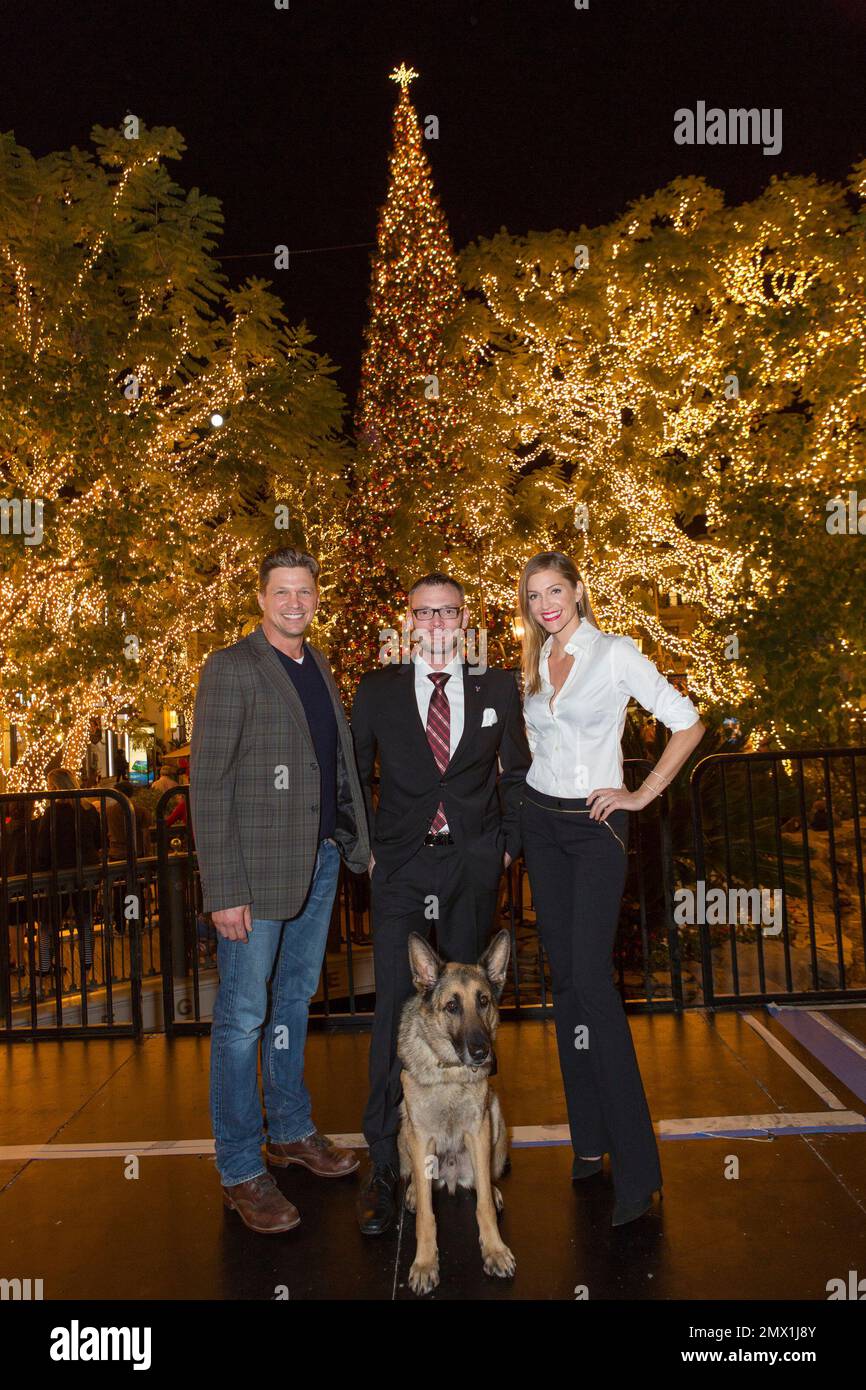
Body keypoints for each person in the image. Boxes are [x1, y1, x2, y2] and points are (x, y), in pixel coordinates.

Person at [516, 551, 706, 1227]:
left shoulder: (614, 653)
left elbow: (689, 722)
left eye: (556, 590)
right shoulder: (535, 661)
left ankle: (638, 1167)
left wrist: (641, 793)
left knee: (593, 982)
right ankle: (588, 1140)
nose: (546, 604)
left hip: (597, 827)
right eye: (535, 594)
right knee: (564, 982)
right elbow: (535, 751)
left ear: (577, 591)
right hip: (542, 823)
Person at [190, 546, 371, 1235]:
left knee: (293, 1002)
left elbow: (338, 765)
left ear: (314, 597)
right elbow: (208, 784)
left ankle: (291, 1130)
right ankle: (240, 1167)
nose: (294, 602)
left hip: (318, 863)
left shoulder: (317, 663)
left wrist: (357, 846)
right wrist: (224, 888)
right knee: (241, 1019)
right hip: (255, 879)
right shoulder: (231, 668)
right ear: (262, 599)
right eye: (281, 592)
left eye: (304, 591)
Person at [350, 570, 531, 1235]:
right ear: (407, 621)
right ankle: (384, 1165)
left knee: (469, 1010)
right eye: (422, 614)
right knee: (395, 1010)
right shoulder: (377, 691)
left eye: (447, 613)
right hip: (400, 868)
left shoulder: (498, 687)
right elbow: (352, 774)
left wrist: (506, 846)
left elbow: (516, 772)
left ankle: (463, 1148)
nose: (435, 625)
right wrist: (364, 848)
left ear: (465, 619)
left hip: (469, 867)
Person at [35, 769, 102, 976]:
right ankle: (87, 961)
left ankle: (45, 965)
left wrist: (41, 868)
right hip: (88, 870)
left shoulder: (51, 813)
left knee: (49, 920)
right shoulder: (89, 809)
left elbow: (42, 849)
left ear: (55, 788)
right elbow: (99, 840)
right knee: (85, 916)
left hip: (59, 872)